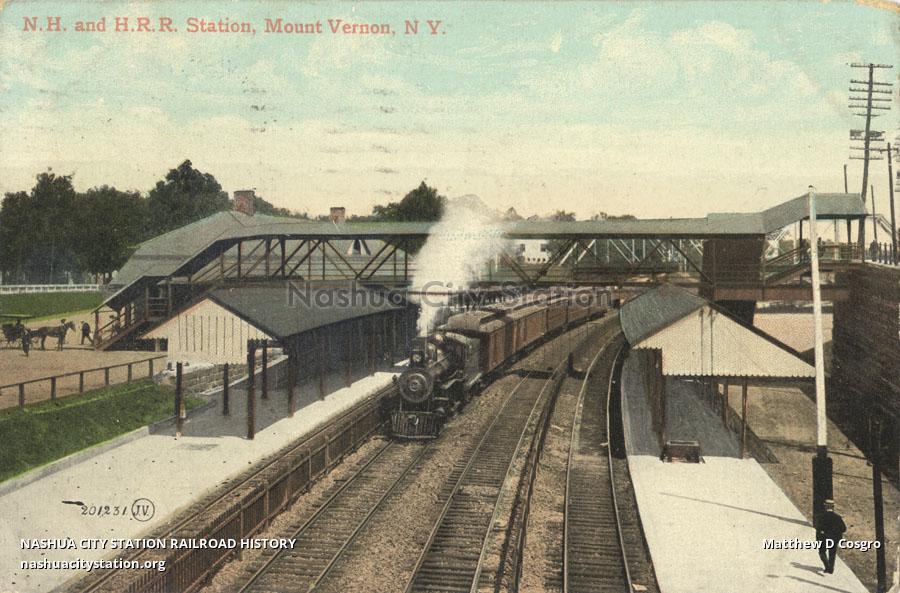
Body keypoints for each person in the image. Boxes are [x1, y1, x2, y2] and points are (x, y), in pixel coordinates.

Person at [817, 499, 847, 574]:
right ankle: (831, 568)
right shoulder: (838, 517)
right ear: (833, 507)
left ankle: (827, 567)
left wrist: (818, 538)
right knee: (832, 554)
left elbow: (819, 529)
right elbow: (843, 529)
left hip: (824, 538)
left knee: (822, 552)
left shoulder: (821, 516)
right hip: (834, 539)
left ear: (825, 507)